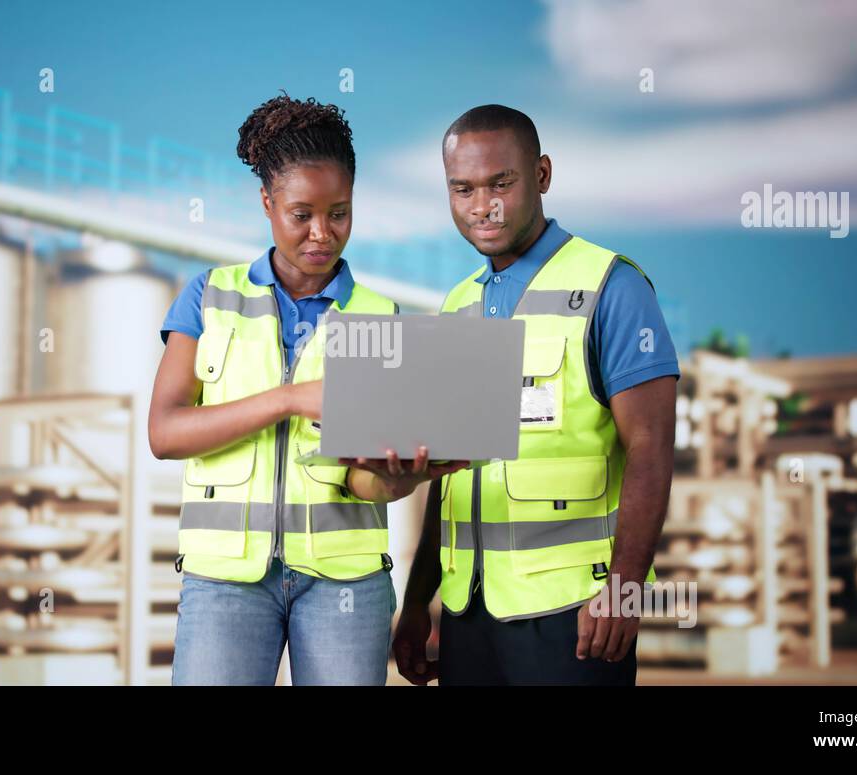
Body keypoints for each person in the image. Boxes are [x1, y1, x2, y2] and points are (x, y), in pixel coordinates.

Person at [149, 93, 463, 685]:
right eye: (302, 214)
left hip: (344, 582)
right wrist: (290, 398)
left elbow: (364, 480)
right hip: (225, 582)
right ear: (267, 203)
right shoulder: (208, 297)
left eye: (339, 213)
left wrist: (405, 476)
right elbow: (164, 433)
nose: (322, 233)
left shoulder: (379, 316)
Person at [392, 104, 679, 686]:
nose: (483, 206)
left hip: (574, 614)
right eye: (463, 188)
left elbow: (651, 446)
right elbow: (447, 479)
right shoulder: (457, 305)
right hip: (469, 612)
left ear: (542, 175)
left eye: (501, 183)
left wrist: (625, 589)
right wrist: (419, 599)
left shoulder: (612, 287)